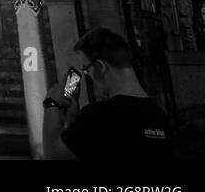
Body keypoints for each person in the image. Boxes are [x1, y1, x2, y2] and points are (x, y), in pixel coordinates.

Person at [42, 26, 173, 160]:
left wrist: (51, 103)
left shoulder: (99, 114)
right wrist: (73, 121)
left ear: (100, 66)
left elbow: (54, 155)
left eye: (87, 69)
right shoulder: (159, 115)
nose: (88, 75)